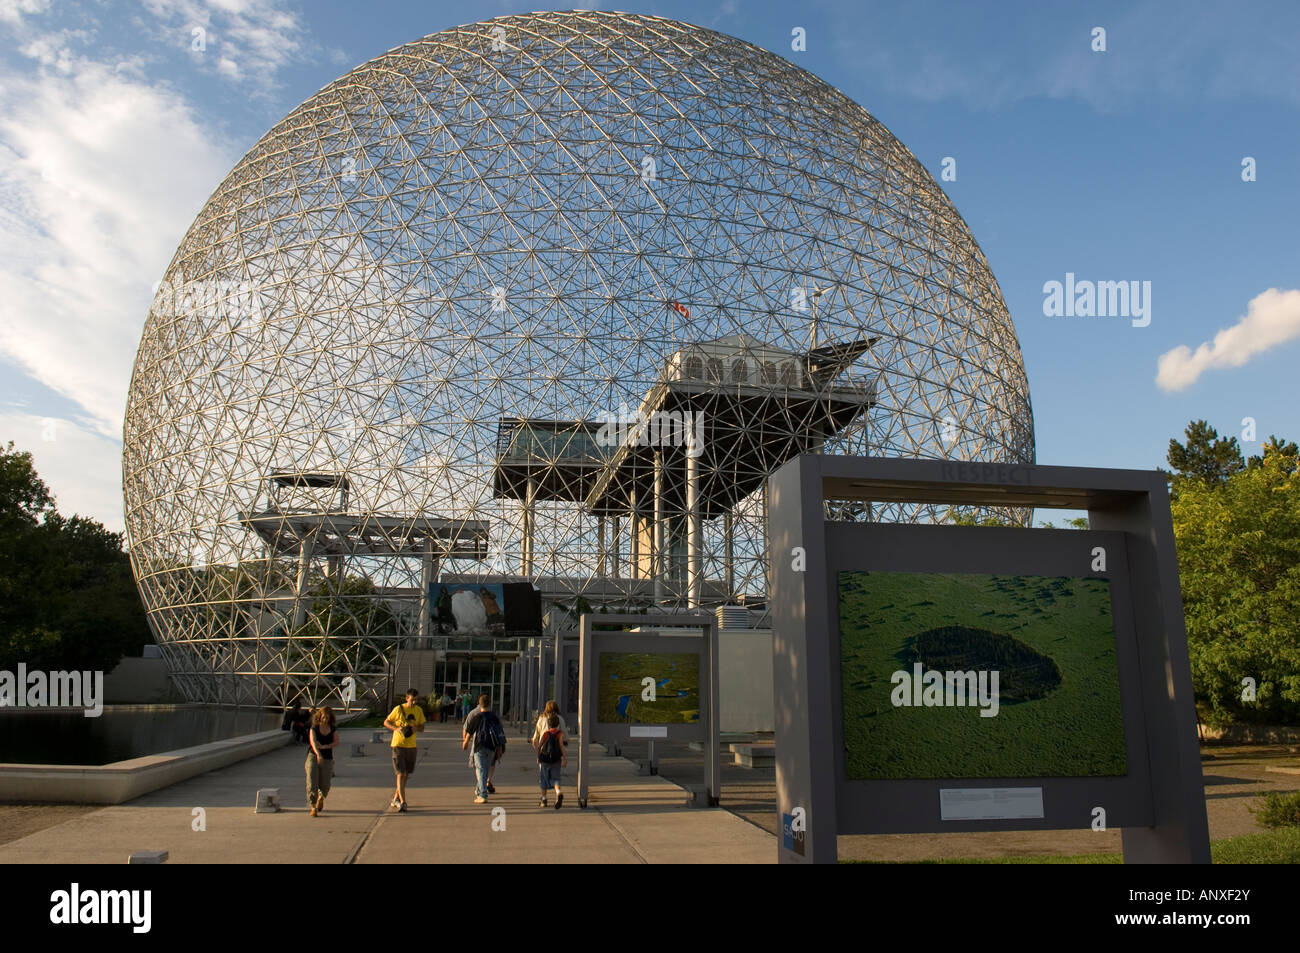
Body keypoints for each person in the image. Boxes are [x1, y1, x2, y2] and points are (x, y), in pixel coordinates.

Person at [383, 688, 425, 812]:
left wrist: (415, 728)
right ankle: (403, 802)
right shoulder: (398, 709)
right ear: (407, 698)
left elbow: (422, 727)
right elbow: (386, 722)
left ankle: (396, 798)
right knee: (400, 773)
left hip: (411, 746)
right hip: (398, 745)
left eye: (416, 700)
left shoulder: (418, 711)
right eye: (412, 700)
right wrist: (396, 729)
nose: (414, 703)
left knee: (406, 774)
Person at [461, 694, 505, 804]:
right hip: (492, 747)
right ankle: (479, 789)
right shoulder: (494, 717)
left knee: (480, 769)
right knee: (485, 769)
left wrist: (465, 742)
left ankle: (483, 794)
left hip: (479, 746)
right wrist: (499, 748)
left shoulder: (477, 716)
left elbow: (469, 732)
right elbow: (500, 733)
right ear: (489, 704)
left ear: (479, 704)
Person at [306, 706, 339, 817]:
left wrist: (325, 747)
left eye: (327, 718)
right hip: (313, 756)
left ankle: (321, 797)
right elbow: (313, 742)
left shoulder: (332, 728)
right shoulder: (314, 728)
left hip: (328, 758)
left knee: (325, 785)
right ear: (320, 716)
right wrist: (318, 754)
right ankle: (313, 807)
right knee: (312, 782)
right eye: (324, 717)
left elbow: (336, 742)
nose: (325, 720)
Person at [534, 713, 567, 809]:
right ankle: (558, 792)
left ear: (548, 724)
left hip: (545, 760)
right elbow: (561, 746)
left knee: (544, 779)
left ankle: (544, 799)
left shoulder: (545, 734)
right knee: (556, 778)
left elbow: (539, 746)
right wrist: (565, 758)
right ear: (558, 724)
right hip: (556, 760)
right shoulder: (560, 734)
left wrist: (538, 757)